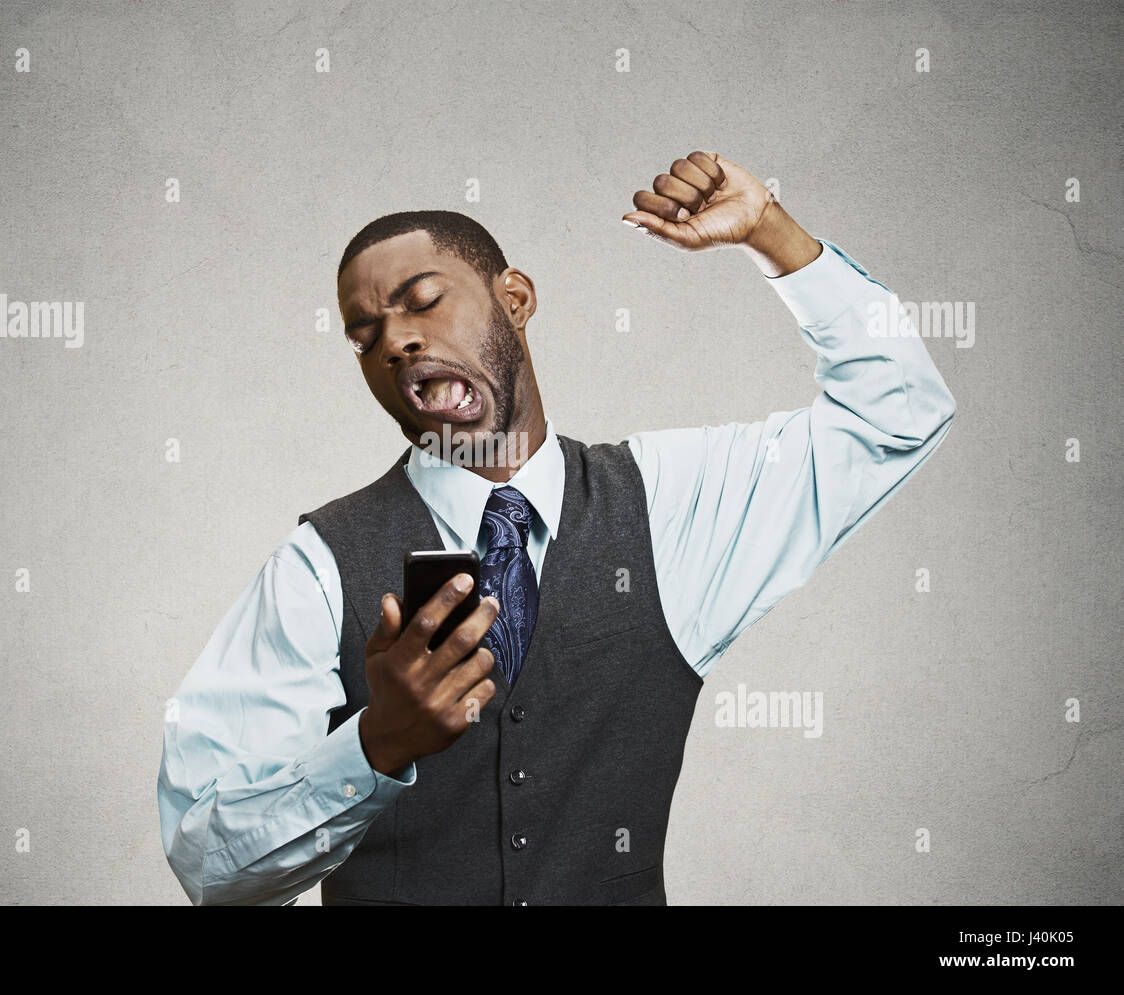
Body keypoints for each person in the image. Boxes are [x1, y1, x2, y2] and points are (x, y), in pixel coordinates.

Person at [157, 151, 957, 905]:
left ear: (515, 298)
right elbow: (207, 861)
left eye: (424, 302)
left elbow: (898, 414)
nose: (396, 342)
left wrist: (772, 232)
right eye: (365, 338)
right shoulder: (318, 568)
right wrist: (374, 745)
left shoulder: (670, 505)